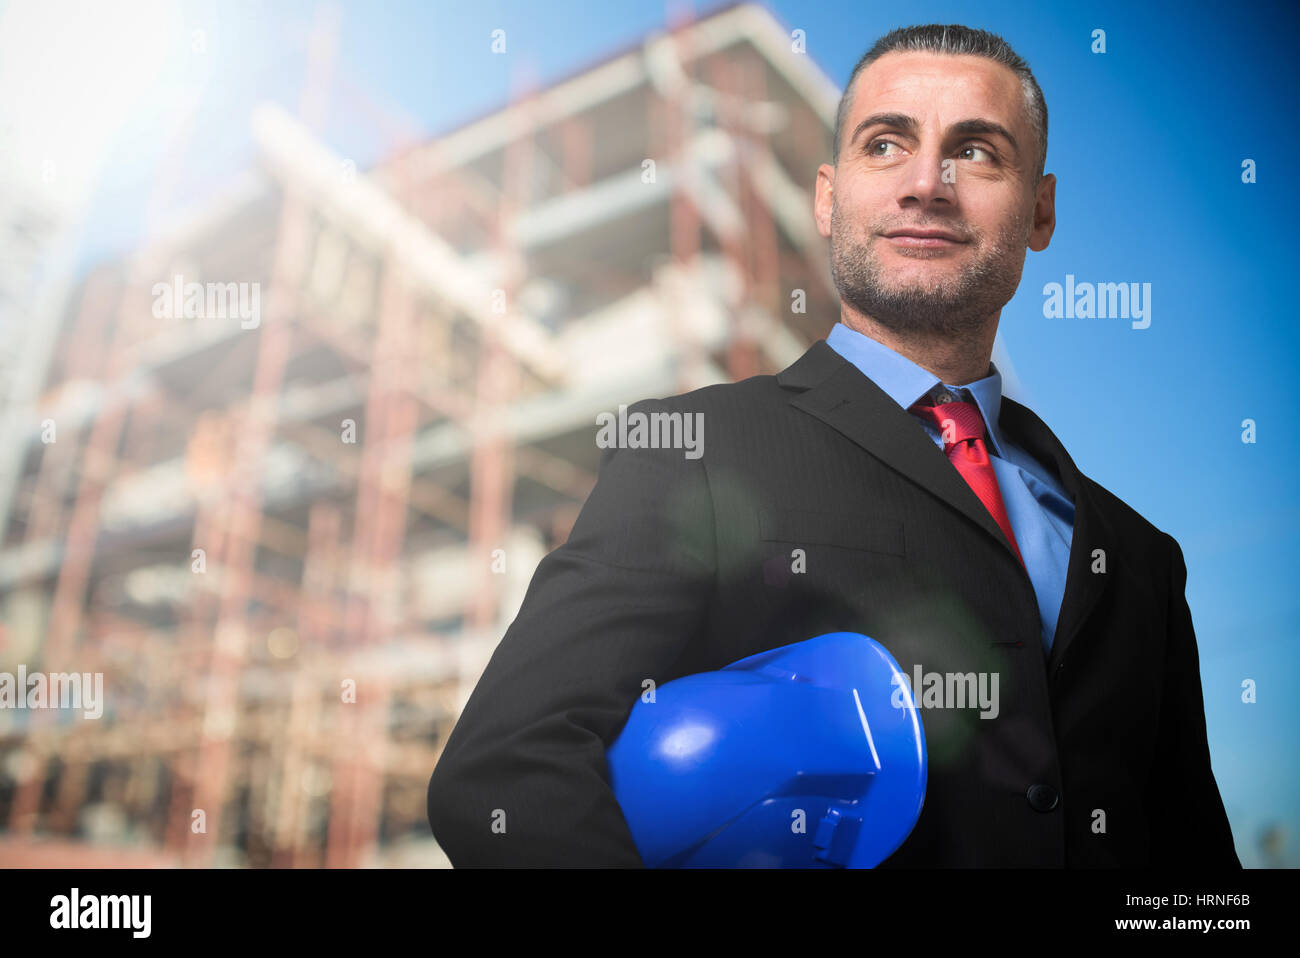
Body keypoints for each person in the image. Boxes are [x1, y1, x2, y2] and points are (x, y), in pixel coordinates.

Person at [426, 23, 1241, 868]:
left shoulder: (1141, 557)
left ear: (1040, 211)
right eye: (886, 144)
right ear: (826, 197)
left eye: (978, 151)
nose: (928, 184)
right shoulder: (696, 448)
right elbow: (506, 770)